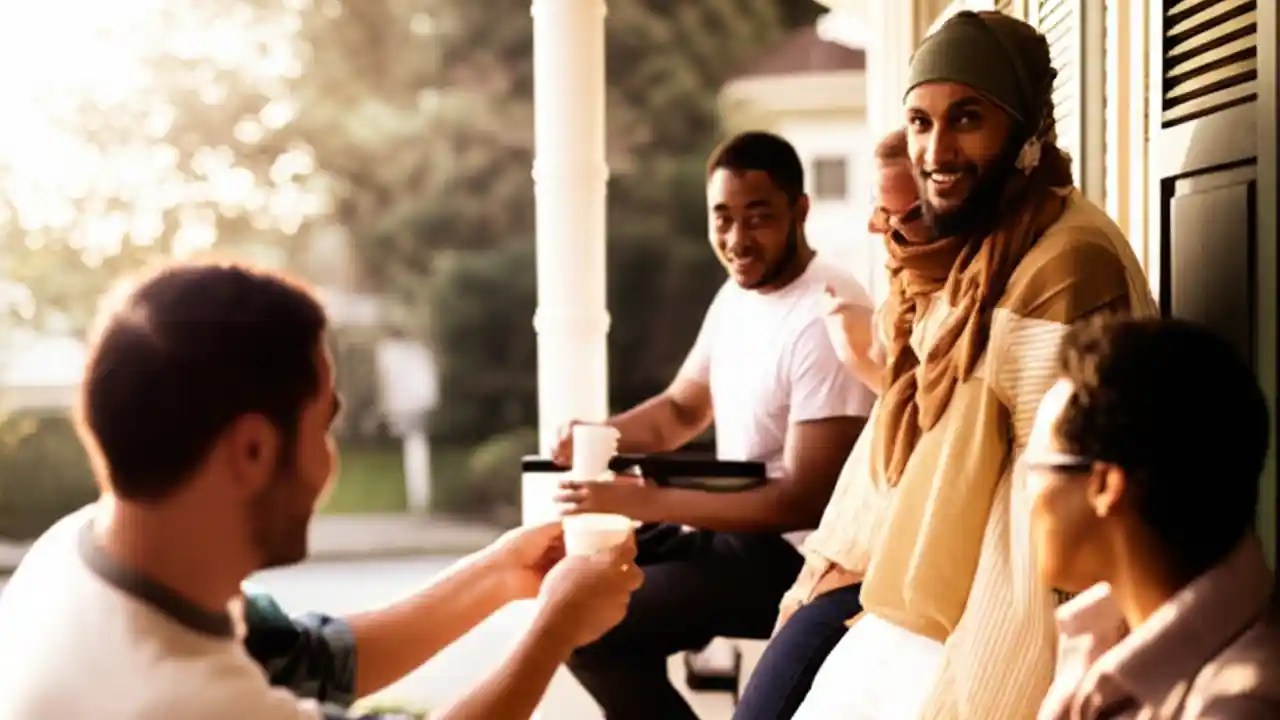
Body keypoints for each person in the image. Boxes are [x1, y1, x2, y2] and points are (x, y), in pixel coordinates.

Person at [0, 263, 643, 720]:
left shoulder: (77, 552)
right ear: (253, 449)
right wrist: (555, 629)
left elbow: (310, 657)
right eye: (325, 427)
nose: (329, 464)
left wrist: (501, 576)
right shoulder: (184, 703)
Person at [783, 11, 1158, 719]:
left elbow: (1038, 528)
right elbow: (922, 428)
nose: (936, 148)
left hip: (993, 628)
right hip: (936, 599)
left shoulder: (1066, 266)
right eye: (920, 122)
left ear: (1025, 132)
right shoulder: (989, 252)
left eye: (967, 119)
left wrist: (967, 695)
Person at [550, 131, 876, 720]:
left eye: (758, 218)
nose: (736, 240)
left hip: (798, 559)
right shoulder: (738, 296)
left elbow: (803, 502)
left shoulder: (824, 312)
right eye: (722, 219)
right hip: (737, 532)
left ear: (799, 211)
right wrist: (597, 436)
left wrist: (653, 501)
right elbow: (681, 409)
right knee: (571, 564)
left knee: (590, 631)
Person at [1030, 317, 1280, 719]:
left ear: (1104, 485)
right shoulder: (1101, 639)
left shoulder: (1237, 705)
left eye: (1036, 467)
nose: (1029, 495)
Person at [819, 128, 921, 396]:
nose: (873, 226)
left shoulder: (957, 304)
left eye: (889, 214)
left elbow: (930, 425)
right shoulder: (901, 291)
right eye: (875, 207)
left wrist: (858, 360)